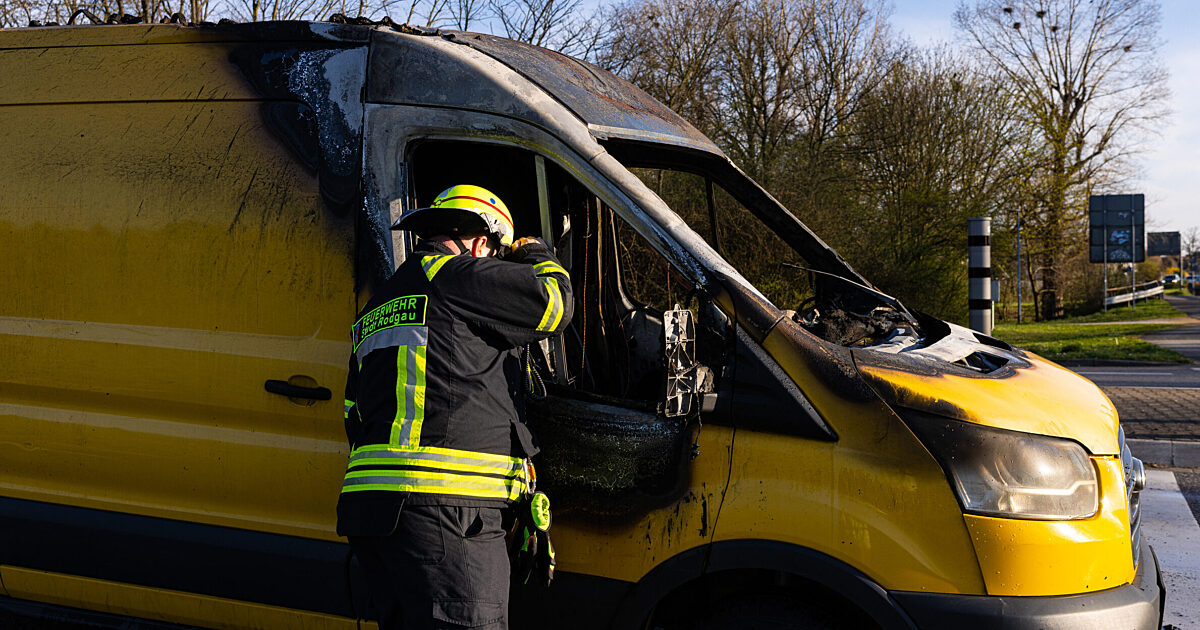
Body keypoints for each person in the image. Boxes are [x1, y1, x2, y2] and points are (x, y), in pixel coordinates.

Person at [336, 184, 572, 630]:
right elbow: (554, 304)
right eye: (496, 255)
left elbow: (353, 413)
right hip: (449, 518)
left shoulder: (382, 301)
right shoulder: (459, 275)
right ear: (483, 241)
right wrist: (536, 253)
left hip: (372, 516)